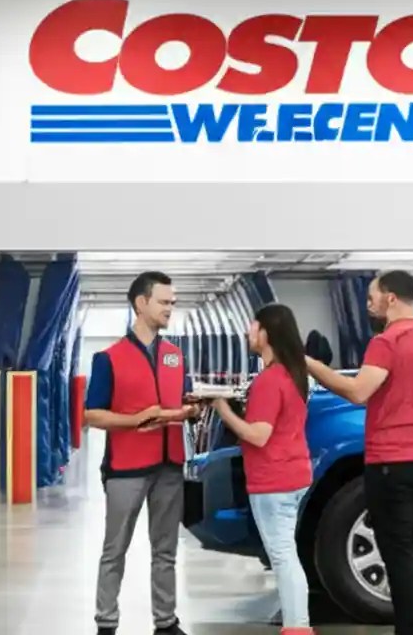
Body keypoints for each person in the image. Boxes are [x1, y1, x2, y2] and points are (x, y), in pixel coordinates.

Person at [305, 270, 413, 635]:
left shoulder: (386, 342)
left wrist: (309, 364)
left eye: (373, 296)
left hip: (392, 461)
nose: (369, 302)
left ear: (391, 298)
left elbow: (359, 391)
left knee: (399, 552)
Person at [85, 271, 199, 635]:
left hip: (169, 465)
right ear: (141, 303)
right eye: (164, 302)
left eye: (173, 302)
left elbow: (181, 399)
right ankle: (106, 623)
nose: (170, 308)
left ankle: (165, 623)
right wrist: (135, 420)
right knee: (114, 550)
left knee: (165, 551)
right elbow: (92, 414)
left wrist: (190, 409)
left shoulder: (175, 356)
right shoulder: (109, 358)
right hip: (126, 468)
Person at [211, 304, 315, 635]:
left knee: (283, 556)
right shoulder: (292, 374)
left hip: (274, 479)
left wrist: (221, 408)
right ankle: (295, 618)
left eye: (252, 326)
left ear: (266, 332)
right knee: (287, 552)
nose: (248, 332)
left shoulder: (271, 380)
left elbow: (259, 434)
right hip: (293, 473)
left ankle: (297, 627)